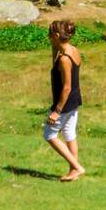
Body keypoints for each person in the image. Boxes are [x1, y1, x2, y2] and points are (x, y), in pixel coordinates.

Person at [44, 19, 85, 182]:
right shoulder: (72, 50)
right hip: (75, 100)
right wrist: (55, 47)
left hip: (65, 102)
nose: (48, 37)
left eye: (49, 34)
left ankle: (77, 167)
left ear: (55, 35)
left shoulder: (64, 59)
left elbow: (66, 87)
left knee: (49, 134)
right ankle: (73, 172)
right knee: (69, 133)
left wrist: (56, 111)